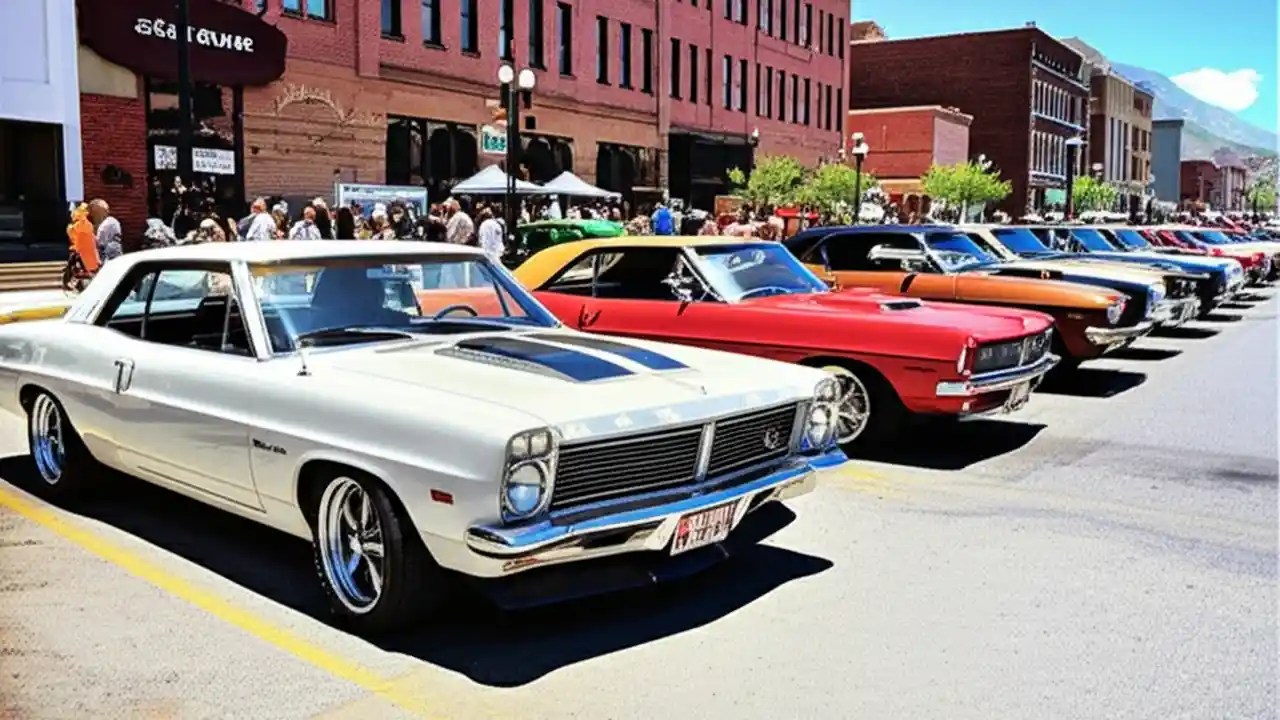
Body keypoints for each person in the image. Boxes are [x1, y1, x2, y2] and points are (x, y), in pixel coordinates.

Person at [63, 203, 100, 291]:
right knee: (81, 267)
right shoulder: (83, 225)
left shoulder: (79, 226)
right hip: (84, 251)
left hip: (84, 251)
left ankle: (77, 282)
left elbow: (74, 236)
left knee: (81, 267)